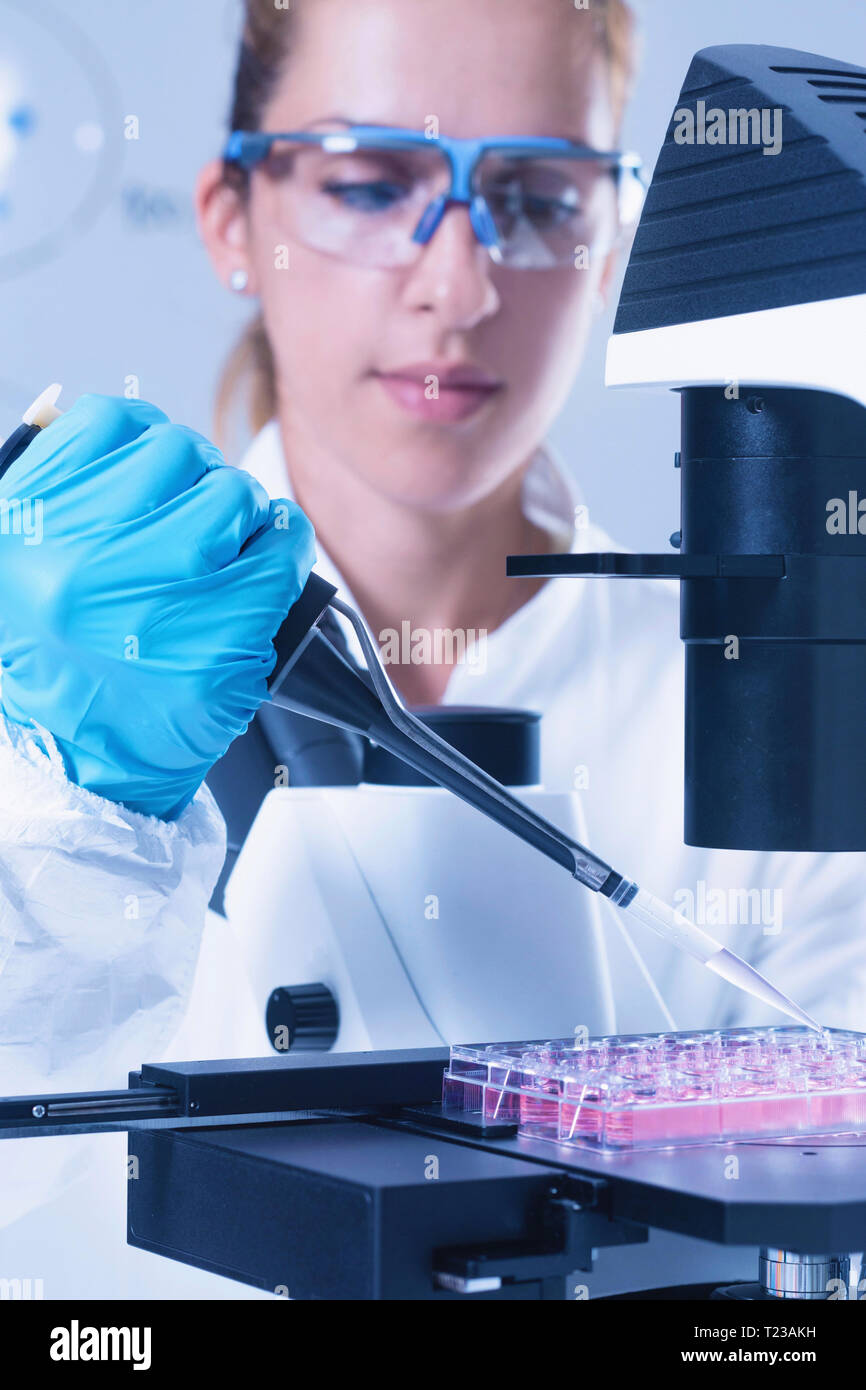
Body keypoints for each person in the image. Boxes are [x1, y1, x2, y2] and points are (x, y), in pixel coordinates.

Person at [0, 0, 863, 1299]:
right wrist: (74, 819)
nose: (457, 287)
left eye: (535, 192)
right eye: (366, 180)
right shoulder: (46, 659)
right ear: (232, 219)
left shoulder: (776, 702)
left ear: (616, 228)